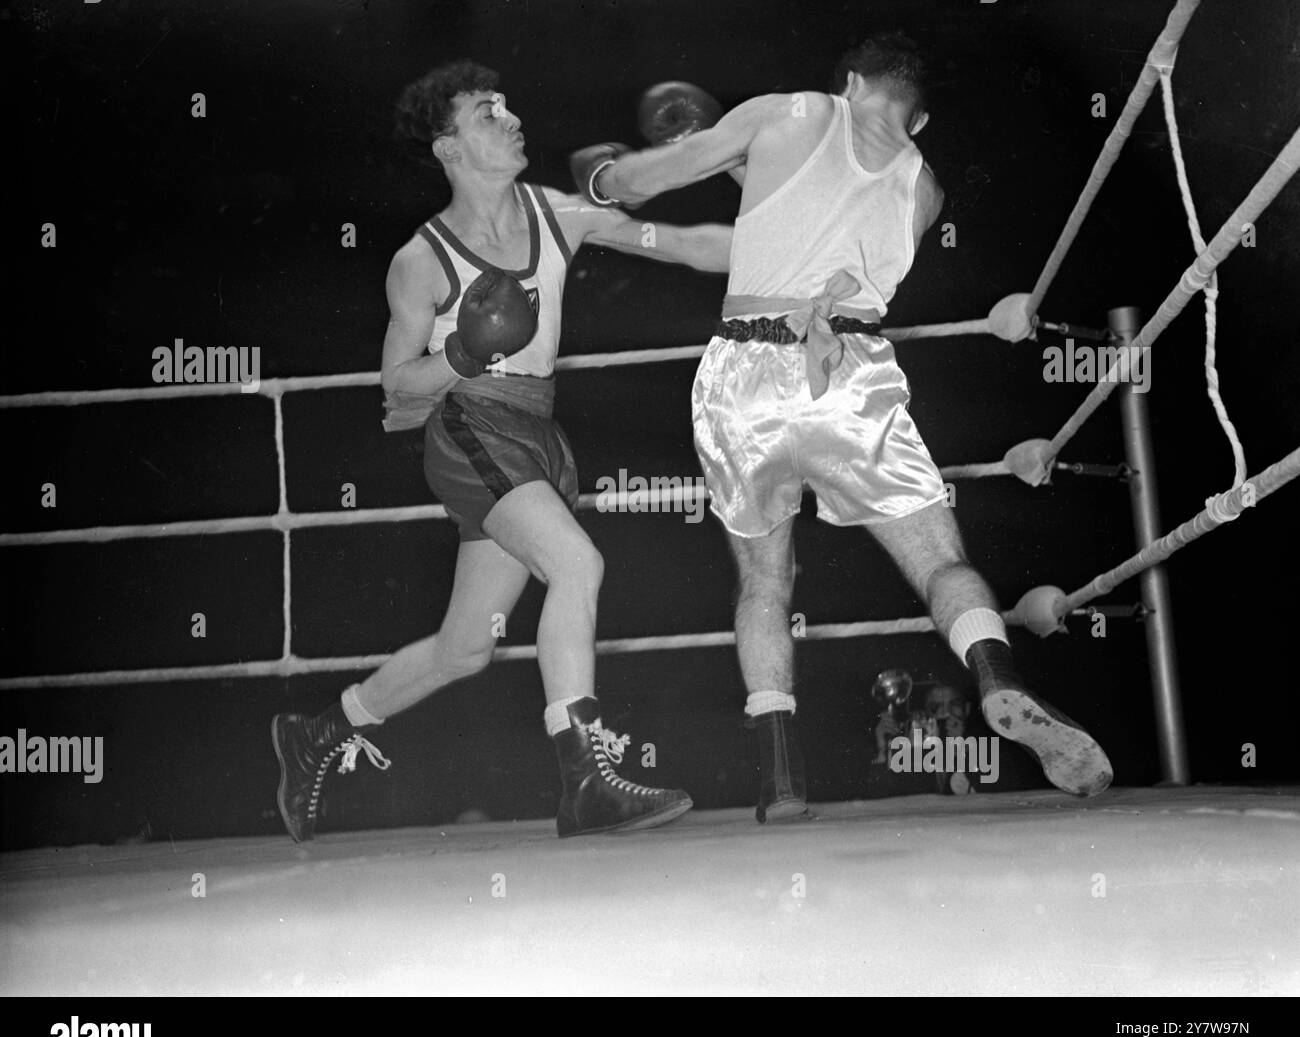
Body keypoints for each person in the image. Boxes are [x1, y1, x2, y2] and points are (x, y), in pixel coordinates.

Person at [569, 32, 1113, 823]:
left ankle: (781, 780)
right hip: (851, 379)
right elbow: (816, 225)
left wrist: (605, 176)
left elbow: (660, 185)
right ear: (918, 120)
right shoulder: (924, 188)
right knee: (940, 563)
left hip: (743, 379)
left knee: (764, 582)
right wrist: (737, 168)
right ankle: (999, 678)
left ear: (849, 80)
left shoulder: (786, 111)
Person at [273, 60, 733, 842]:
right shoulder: (422, 261)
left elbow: (684, 244)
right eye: (489, 111)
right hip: (472, 432)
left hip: (539, 433)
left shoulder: (556, 213)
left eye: (509, 104)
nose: (512, 116)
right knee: (578, 565)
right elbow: (397, 392)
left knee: (464, 648)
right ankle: (585, 779)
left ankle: (320, 731)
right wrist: (462, 354)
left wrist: (796, 254)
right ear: (449, 146)